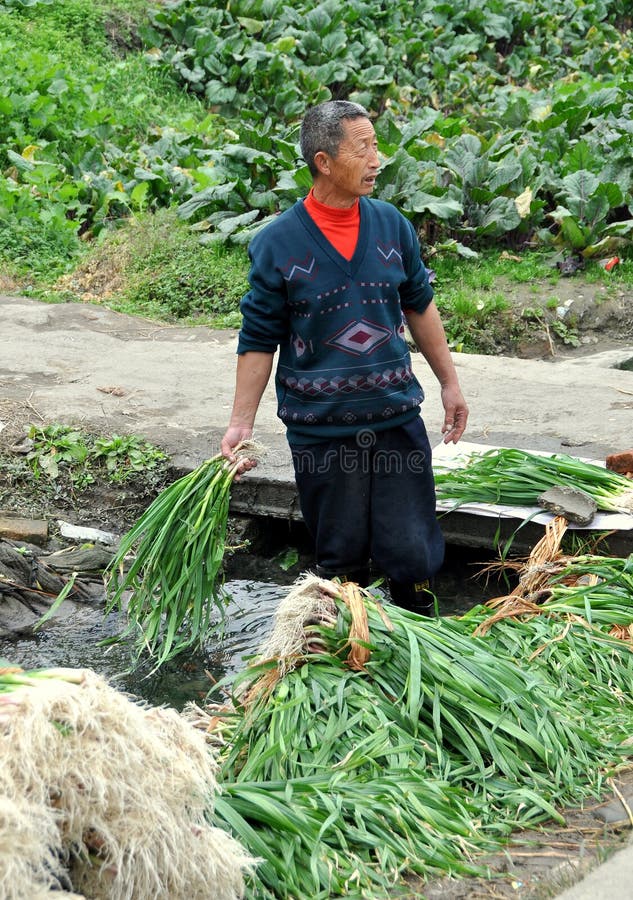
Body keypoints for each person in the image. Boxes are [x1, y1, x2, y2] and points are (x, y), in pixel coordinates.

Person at [221, 100, 468, 615]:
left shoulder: (391, 225)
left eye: (376, 146)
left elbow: (420, 305)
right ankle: (345, 659)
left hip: (395, 415)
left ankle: (420, 651)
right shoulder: (277, 244)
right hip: (322, 429)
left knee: (412, 553)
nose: (377, 159)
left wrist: (449, 382)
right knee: (339, 559)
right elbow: (259, 338)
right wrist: (240, 424)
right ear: (324, 161)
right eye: (364, 149)